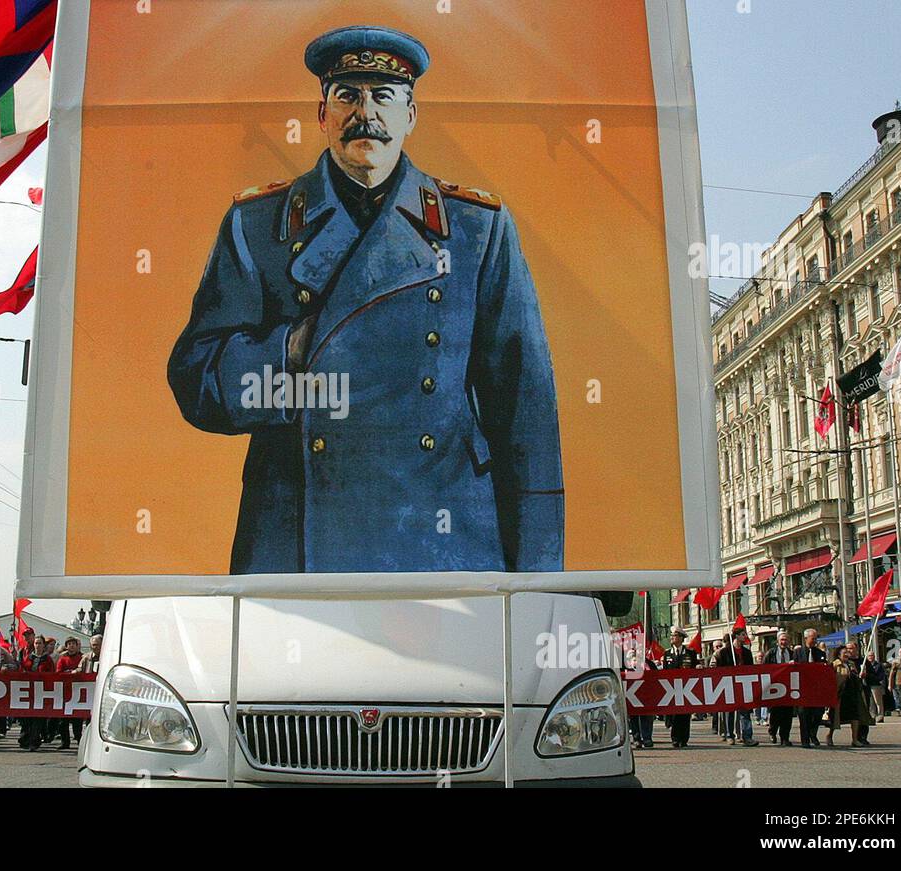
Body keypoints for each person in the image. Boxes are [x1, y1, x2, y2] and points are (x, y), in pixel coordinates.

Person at [167, 25, 563, 576]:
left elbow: (525, 408)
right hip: (299, 538)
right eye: (348, 96)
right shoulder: (257, 224)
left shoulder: (476, 228)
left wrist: (539, 577)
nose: (365, 114)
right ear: (322, 113)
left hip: (444, 539)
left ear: (409, 115)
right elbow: (196, 378)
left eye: (382, 97)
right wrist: (292, 353)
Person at [713, 629, 759, 746]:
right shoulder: (724, 652)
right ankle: (729, 735)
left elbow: (751, 669)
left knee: (745, 711)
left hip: (744, 685)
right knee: (729, 711)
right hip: (728, 685)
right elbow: (718, 669)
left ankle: (747, 736)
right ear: (736, 636)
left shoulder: (747, 652)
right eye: (743, 635)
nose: (745, 637)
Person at [660, 628, 699, 748]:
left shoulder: (690, 653)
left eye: (675, 635)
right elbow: (665, 671)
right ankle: (675, 738)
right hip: (672, 689)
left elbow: (694, 667)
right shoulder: (667, 654)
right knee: (675, 713)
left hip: (687, 687)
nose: (672, 637)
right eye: (671, 635)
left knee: (685, 714)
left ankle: (684, 739)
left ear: (681, 638)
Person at [20, 634, 56, 751]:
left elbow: (52, 674)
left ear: (43, 645)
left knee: (38, 719)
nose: (37, 645)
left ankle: (34, 741)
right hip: (29, 691)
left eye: (40, 643)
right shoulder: (29, 658)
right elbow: (23, 670)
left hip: (42, 692)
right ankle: (25, 738)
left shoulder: (48, 659)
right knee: (27, 717)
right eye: (36, 643)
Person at [831, 642, 870, 747]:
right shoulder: (835, 665)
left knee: (855, 717)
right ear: (839, 655)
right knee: (835, 718)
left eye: (847, 652)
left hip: (852, 693)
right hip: (841, 694)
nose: (847, 654)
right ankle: (830, 736)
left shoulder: (851, 664)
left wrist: (860, 675)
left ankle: (855, 739)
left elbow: (855, 678)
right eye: (844, 653)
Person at [793, 628, 827, 747]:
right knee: (804, 715)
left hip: (816, 689)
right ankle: (805, 740)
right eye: (813, 638)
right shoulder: (798, 652)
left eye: (816, 638)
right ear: (806, 638)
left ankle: (813, 733)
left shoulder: (820, 653)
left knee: (818, 713)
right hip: (802, 689)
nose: (815, 641)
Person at [762, 631, 795, 746]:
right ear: (777, 641)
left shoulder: (792, 653)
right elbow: (764, 669)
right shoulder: (771, 653)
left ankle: (785, 737)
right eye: (782, 640)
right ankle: (772, 732)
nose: (784, 642)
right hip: (774, 686)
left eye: (786, 640)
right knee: (775, 712)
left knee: (787, 713)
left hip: (789, 687)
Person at [860, 651, 886, 724]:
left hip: (875, 685)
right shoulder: (865, 665)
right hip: (867, 684)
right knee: (871, 702)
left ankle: (880, 715)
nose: (870, 657)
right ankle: (872, 716)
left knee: (878, 701)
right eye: (869, 656)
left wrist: (873, 677)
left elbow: (881, 676)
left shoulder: (878, 665)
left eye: (872, 655)